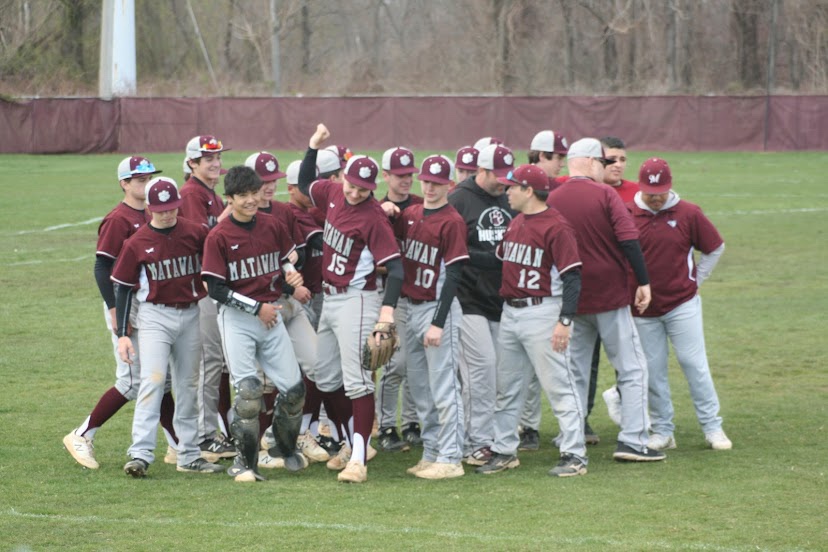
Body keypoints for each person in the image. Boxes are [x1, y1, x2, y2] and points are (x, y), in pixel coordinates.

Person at [297, 123, 404, 484]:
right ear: (343, 177)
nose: (356, 192)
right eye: (352, 185)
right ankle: (351, 443)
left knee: (358, 381)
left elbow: (396, 269)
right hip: (331, 299)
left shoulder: (374, 216)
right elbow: (305, 183)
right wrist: (313, 146)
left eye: (363, 189)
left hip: (358, 299)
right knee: (325, 377)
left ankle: (358, 458)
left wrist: (386, 314)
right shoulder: (332, 192)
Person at [547, 138, 665, 462]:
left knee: (574, 372)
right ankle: (633, 441)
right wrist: (643, 281)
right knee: (632, 368)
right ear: (589, 161)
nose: (605, 167)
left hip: (571, 299)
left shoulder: (554, 199)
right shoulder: (605, 195)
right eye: (602, 161)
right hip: (609, 296)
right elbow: (629, 240)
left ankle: (571, 439)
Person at [63, 156, 178, 470]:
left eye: (148, 178)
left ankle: (177, 445)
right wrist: (115, 309)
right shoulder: (118, 219)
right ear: (124, 183)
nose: (145, 183)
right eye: (139, 180)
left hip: (147, 304)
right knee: (131, 381)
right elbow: (102, 267)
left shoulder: (150, 213)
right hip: (124, 304)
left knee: (162, 379)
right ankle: (82, 434)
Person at [475, 164, 586, 477]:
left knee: (559, 386)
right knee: (507, 388)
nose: (506, 191)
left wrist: (565, 320)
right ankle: (504, 450)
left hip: (543, 312)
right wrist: (459, 254)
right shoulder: (518, 221)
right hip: (511, 312)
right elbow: (496, 260)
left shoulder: (557, 227)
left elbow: (573, 277)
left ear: (528, 190)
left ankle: (575, 455)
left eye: (512, 186)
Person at [201, 165, 308, 483]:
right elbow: (215, 289)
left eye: (253, 193)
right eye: (242, 195)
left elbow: (284, 261)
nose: (250, 200)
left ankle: (282, 447)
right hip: (238, 319)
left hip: (270, 313)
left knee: (294, 390)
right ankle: (244, 463)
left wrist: (291, 278)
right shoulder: (219, 236)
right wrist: (256, 307)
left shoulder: (272, 225)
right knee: (248, 393)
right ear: (229, 198)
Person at [113, 177, 224, 478]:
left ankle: (188, 454)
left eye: (172, 208)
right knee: (153, 380)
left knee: (188, 384)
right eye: (161, 209)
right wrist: (122, 334)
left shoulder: (195, 232)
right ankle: (140, 453)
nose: (167, 214)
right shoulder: (137, 242)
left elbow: (217, 255)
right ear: (150, 208)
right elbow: (123, 288)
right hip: (154, 316)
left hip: (190, 313)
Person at [629, 158, 732, 451]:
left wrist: (695, 281)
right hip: (642, 310)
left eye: (661, 191)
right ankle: (663, 431)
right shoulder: (626, 213)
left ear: (670, 186)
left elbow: (715, 247)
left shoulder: (688, 212)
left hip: (682, 304)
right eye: (651, 192)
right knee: (653, 370)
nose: (656, 197)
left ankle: (712, 427)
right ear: (641, 186)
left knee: (694, 364)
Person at [245, 151, 329, 466]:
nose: (269, 186)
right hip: (258, 308)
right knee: (262, 381)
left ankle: (295, 432)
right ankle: (260, 446)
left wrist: (293, 267)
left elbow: (300, 254)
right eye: (263, 181)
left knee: (319, 365)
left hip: (288, 304)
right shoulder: (238, 219)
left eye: (273, 180)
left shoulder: (283, 211)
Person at [396, 154, 468, 480]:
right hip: (411, 307)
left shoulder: (452, 221)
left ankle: (451, 457)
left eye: (437, 183)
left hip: (437, 309)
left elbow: (454, 277)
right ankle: (431, 451)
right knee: (421, 387)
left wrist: (438, 322)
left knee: (444, 386)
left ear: (449, 185)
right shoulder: (411, 214)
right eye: (426, 181)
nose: (430, 187)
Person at [447, 143, 515, 466]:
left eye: (507, 176)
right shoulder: (459, 199)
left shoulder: (509, 196)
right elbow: (451, 249)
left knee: (500, 372)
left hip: (501, 298)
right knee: (480, 371)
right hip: (467, 298)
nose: (503, 182)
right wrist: (493, 258)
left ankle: (494, 437)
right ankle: (475, 442)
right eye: (498, 176)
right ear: (481, 170)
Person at [180, 135, 237, 463]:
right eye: (208, 159)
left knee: (218, 362)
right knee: (209, 362)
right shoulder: (192, 194)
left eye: (217, 157)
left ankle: (213, 431)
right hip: (201, 288)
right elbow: (197, 239)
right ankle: (203, 436)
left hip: (214, 286)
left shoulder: (210, 194)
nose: (216, 163)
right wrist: (229, 215)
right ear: (192, 164)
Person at [518, 129, 572, 452]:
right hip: (520, 293)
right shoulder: (522, 193)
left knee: (553, 372)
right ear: (540, 156)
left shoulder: (560, 192)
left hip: (549, 293)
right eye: (556, 157)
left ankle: (543, 430)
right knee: (520, 372)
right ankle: (525, 427)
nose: (561, 162)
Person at [375, 146, 423, 453]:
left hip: (420, 295)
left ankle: (412, 423)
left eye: (409, 174)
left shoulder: (421, 205)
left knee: (416, 364)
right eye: (399, 174)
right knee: (395, 363)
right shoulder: (376, 211)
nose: (406, 179)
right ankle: (386, 425)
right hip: (391, 297)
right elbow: (371, 261)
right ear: (386, 176)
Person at [594, 136, 641, 436]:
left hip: (631, 286)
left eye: (622, 159)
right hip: (595, 287)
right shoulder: (587, 190)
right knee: (587, 358)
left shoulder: (638, 192)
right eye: (611, 159)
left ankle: (623, 400)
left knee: (633, 355)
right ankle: (581, 421)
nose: (618, 165)